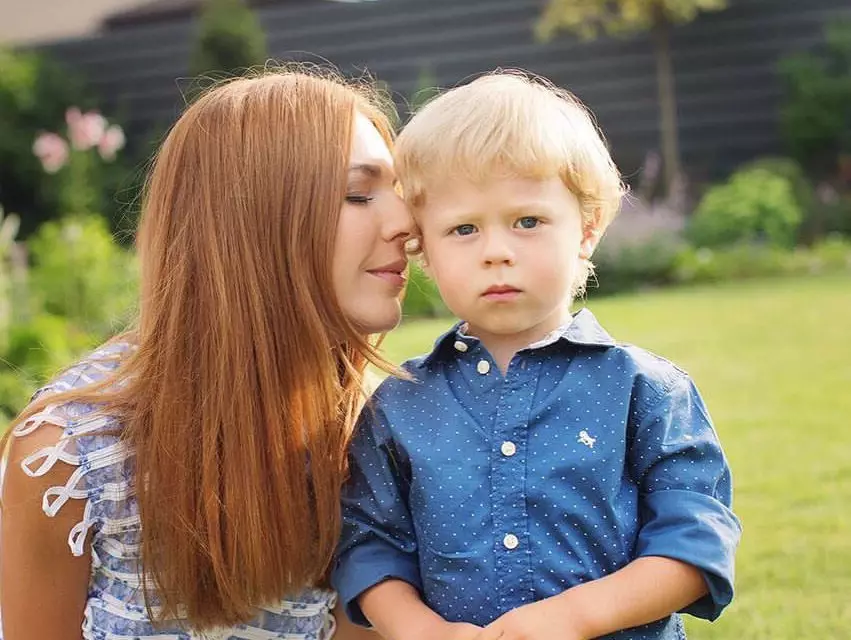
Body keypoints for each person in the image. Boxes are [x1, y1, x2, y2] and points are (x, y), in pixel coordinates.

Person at [0, 68, 413, 640]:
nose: (407, 224)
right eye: (358, 194)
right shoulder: (68, 458)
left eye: (400, 192)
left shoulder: (367, 433)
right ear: (251, 221)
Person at [333, 71, 742, 640]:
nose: (497, 252)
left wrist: (571, 618)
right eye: (463, 229)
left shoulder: (646, 390)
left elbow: (696, 543)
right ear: (422, 246)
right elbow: (368, 546)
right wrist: (422, 630)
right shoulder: (398, 406)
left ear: (587, 230)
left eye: (527, 221)